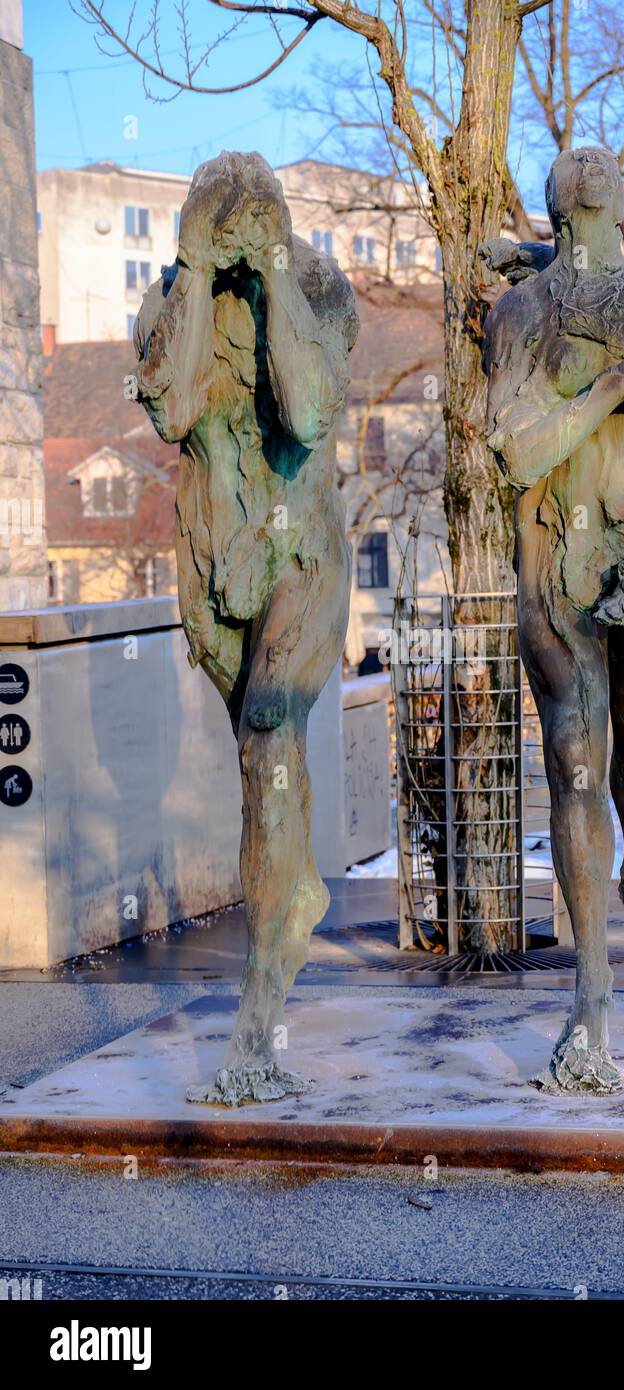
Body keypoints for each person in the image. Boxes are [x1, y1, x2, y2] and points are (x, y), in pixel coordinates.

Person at [482, 147, 624, 1093]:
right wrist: (613, 388)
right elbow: (517, 453)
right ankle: (590, 995)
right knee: (574, 755)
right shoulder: (520, 316)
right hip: (554, 563)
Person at [135, 152, 358, 1104]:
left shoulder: (318, 285)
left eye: (248, 215)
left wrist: (269, 267)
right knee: (263, 770)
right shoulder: (168, 300)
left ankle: (256, 1025)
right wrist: (192, 265)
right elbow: (174, 408)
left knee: (270, 730)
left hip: (300, 555)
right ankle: (292, 896)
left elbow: (305, 412)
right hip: (211, 563)